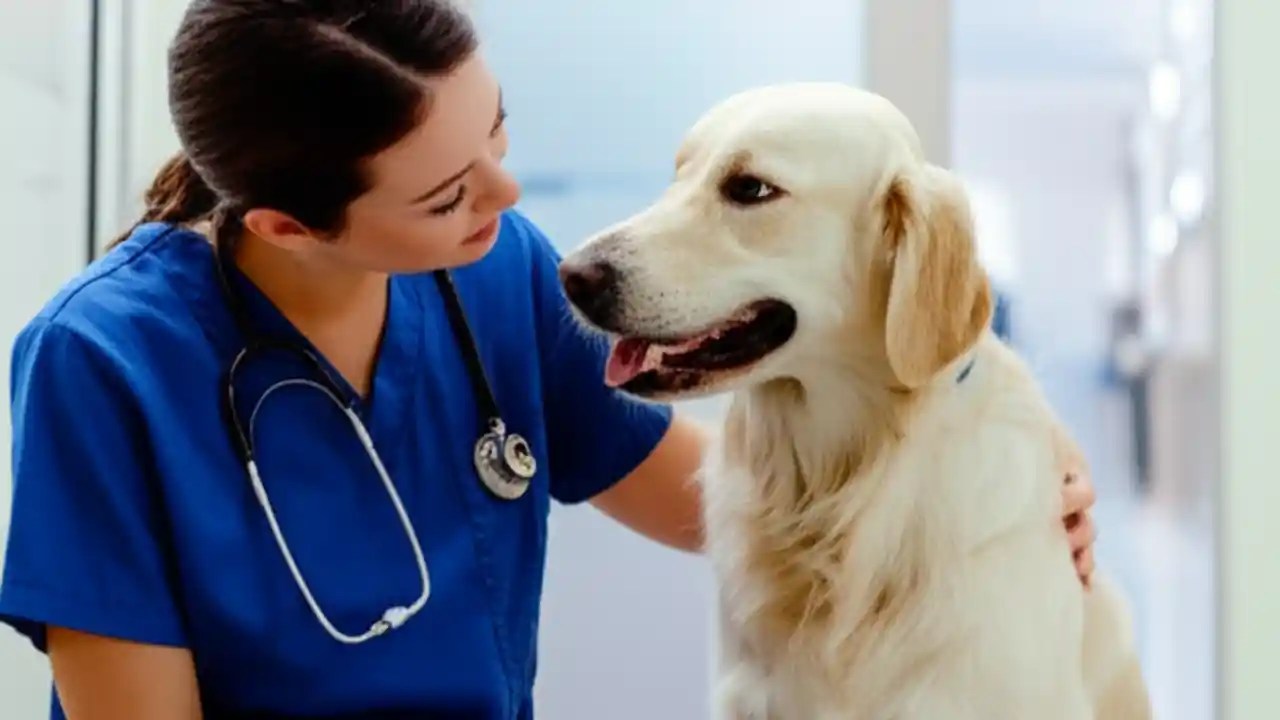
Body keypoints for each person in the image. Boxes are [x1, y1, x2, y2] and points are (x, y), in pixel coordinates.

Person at [0, 1, 1099, 717]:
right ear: (289, 225)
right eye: (446, 193)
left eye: (496, 135)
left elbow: (700, 498)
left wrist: (992, 471)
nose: (507, 197)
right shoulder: (105, 363)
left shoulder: (493, 271)